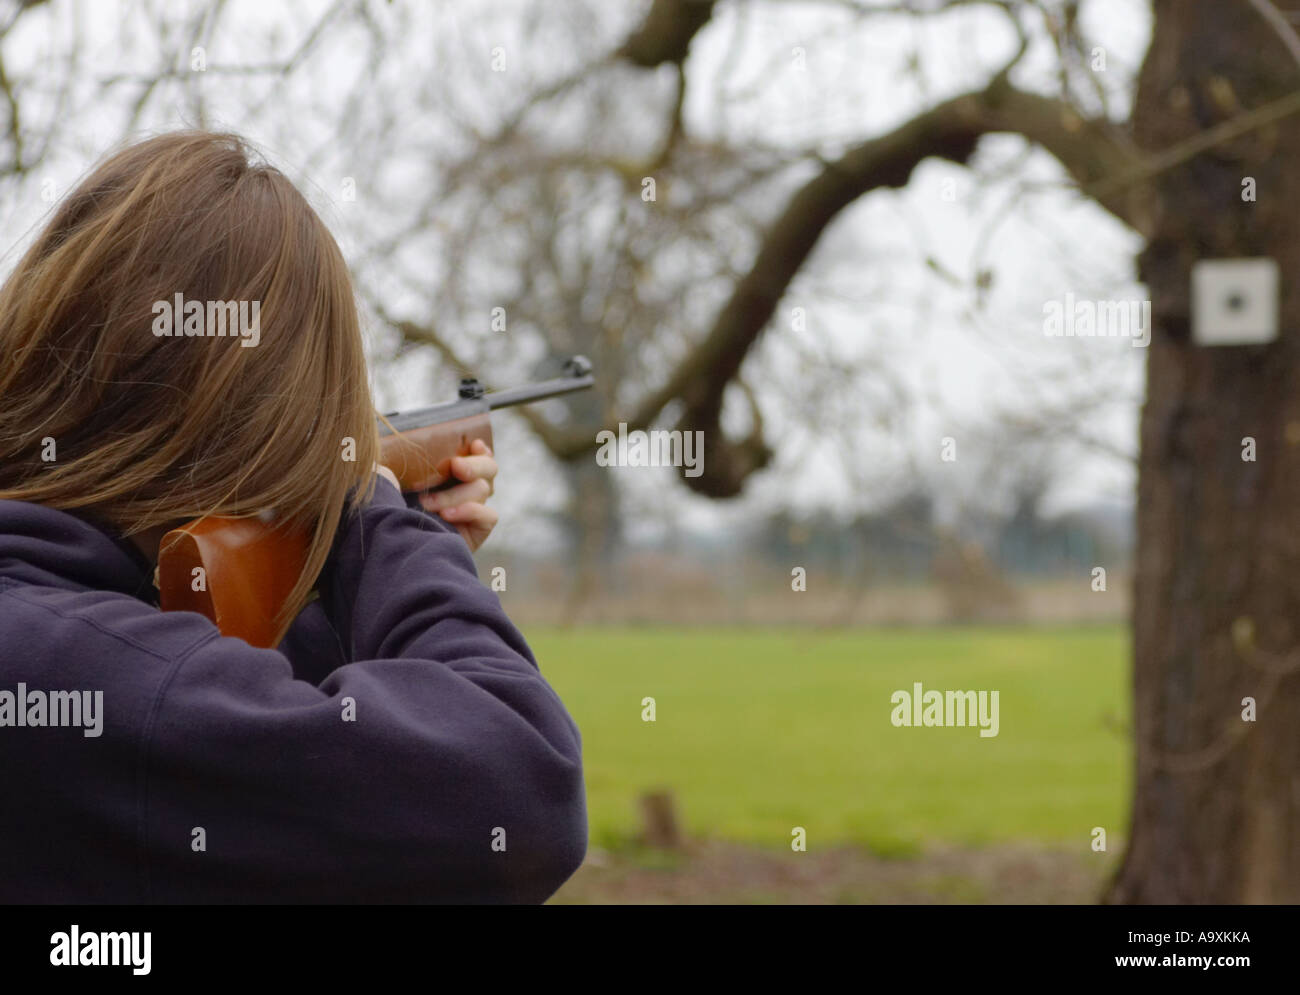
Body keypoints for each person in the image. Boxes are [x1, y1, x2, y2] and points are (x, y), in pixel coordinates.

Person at [0, 131, 587, 903]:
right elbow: (524, 784)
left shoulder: (53, 638)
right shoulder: (113, 684)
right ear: (243, 421)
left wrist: (361, 562)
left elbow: (246, 710)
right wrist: (380, 522)